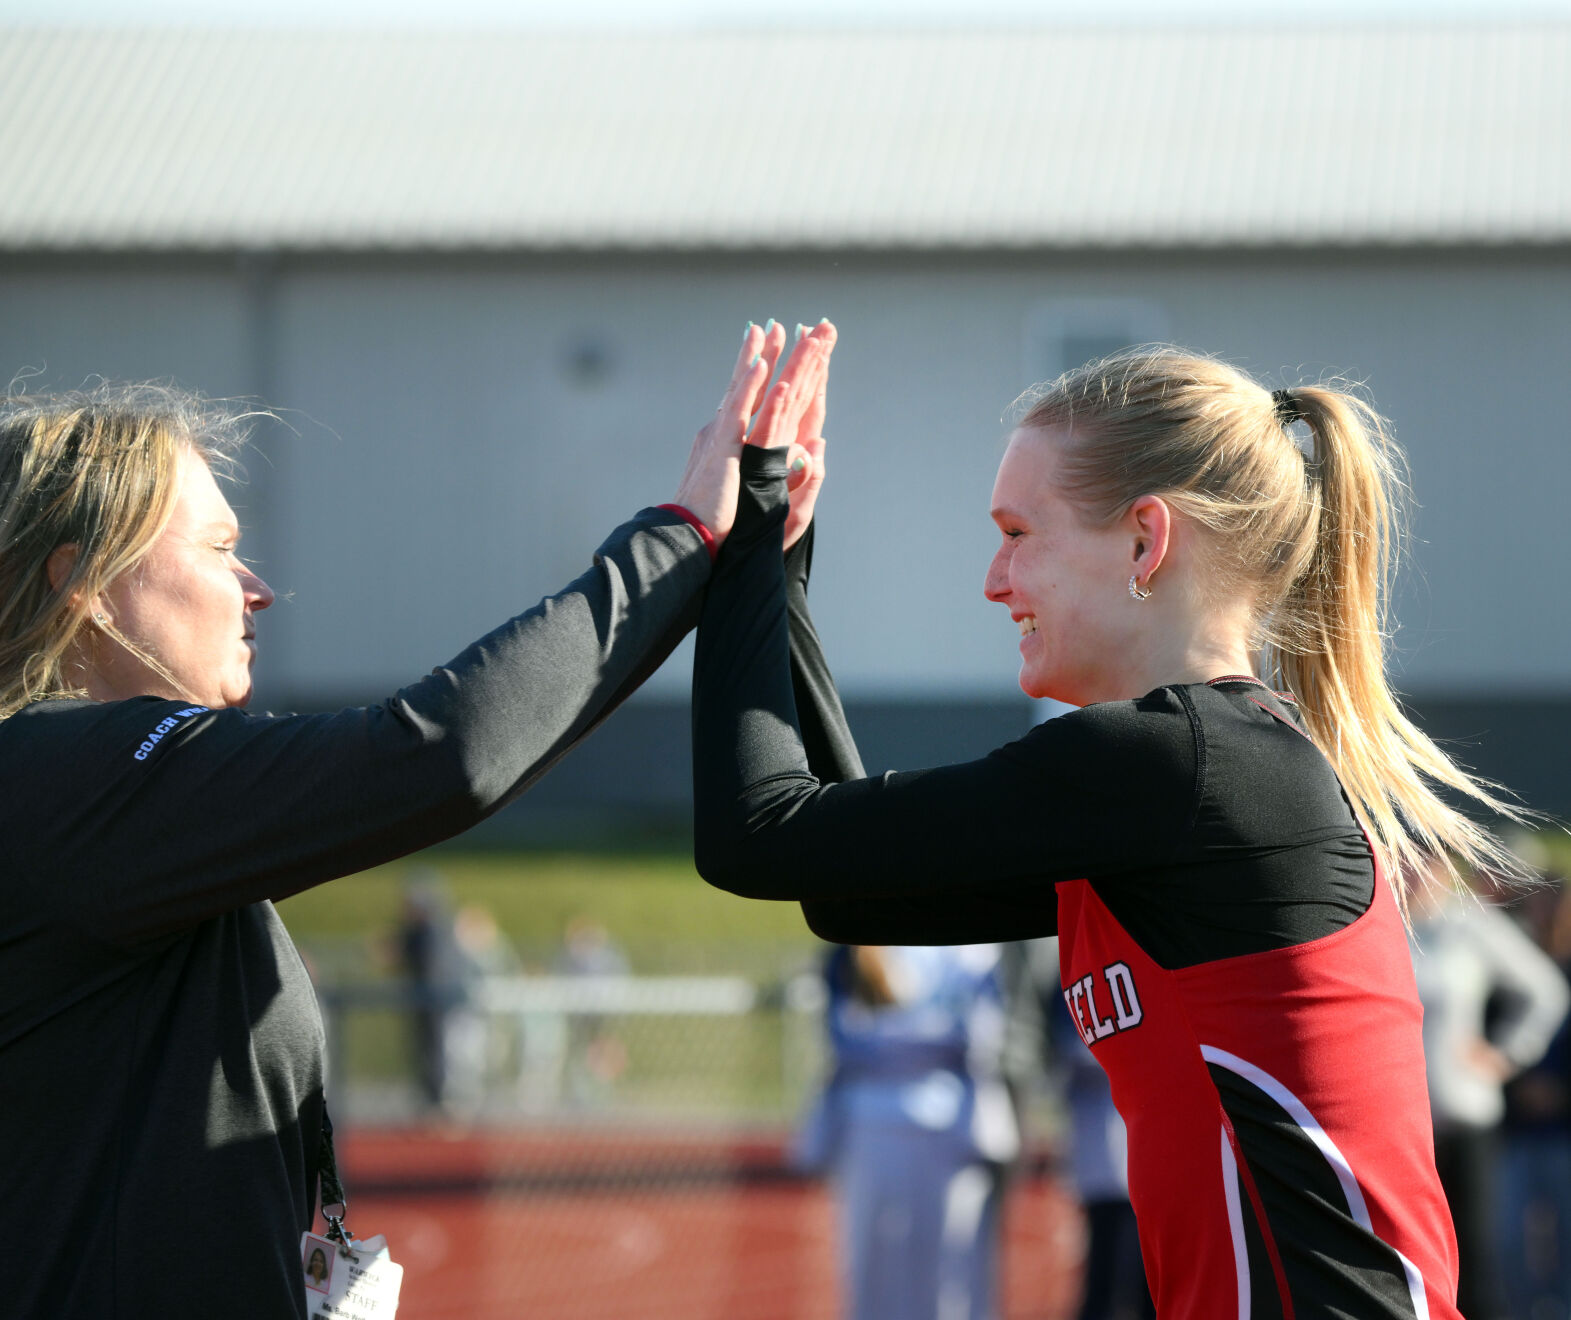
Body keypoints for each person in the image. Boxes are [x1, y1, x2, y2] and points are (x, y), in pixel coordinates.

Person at [692, 330, 1528, 1318]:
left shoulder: (1177, 766)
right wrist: (779, 571)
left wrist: (735, 546)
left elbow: (757, 835)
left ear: (1142, 539)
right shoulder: (1181, 781)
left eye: (1016, 533)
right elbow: (839, 891)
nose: (993, 582)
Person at [0, 319, 810, 1320]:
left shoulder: (110, 808)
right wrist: (679, 537)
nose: (258, 590)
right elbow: (439, 754)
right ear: (80, 583)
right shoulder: (58, 779)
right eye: (218, 549)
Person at [792, 943, 1020, 1320]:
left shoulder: (975, 946)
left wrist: (900, 1036)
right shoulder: (853, 945)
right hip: (872, 1126)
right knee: (873, 1264)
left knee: (955, 1264)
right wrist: (931, 1034)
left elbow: (982, 1035)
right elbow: (845, 1039)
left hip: (955, 1127)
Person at [1407, 859, 1568, 1320]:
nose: (1416, 875)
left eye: (1426, 865)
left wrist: (1507, 1054)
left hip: (1465, 1116)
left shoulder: (1468, 922)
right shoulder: (1389, 924)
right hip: (1406, 1126)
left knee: (1477, 1256)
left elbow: (1545, 990)